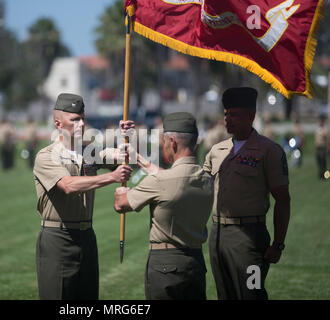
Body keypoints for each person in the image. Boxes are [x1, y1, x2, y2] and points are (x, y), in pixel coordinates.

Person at [33, 93, 133, 300]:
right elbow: (68, 186)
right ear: (58, 123)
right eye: (75, 119)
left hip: (87, 237)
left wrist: (126, 136)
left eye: (83, 118)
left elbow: (122, 156)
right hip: (58, 239)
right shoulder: (46, 156)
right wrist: (112, 177)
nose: (82, 124)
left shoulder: (89, 152)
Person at [114, 112, 214, 300]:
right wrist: (138, 158)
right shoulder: (206, 178)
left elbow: (120, 205)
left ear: (172, 143)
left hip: (165, 265)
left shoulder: (161, 181)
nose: (163, 146)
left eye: (163, 142)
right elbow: (173, 180)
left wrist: (119, 190)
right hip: (195, 262)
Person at [203, 87, 291, 300]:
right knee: (225, 295)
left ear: (251, 116)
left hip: (249, 238)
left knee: (251, 294)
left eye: (234, 115)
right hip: (218, 236)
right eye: (226, 114)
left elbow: (282, 199)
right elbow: (197, 184)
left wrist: (278, 244)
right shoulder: (217, 151)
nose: (227, 120)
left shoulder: (268, 150)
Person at [315, 115, 329, 179]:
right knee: (319, 161)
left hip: (323, 147)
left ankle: (324, 175)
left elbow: (327, 140)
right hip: (318, 147)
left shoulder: (325, 130)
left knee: (323, 162)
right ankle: (320, 174)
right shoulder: (317, 129)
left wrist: (328, 148)